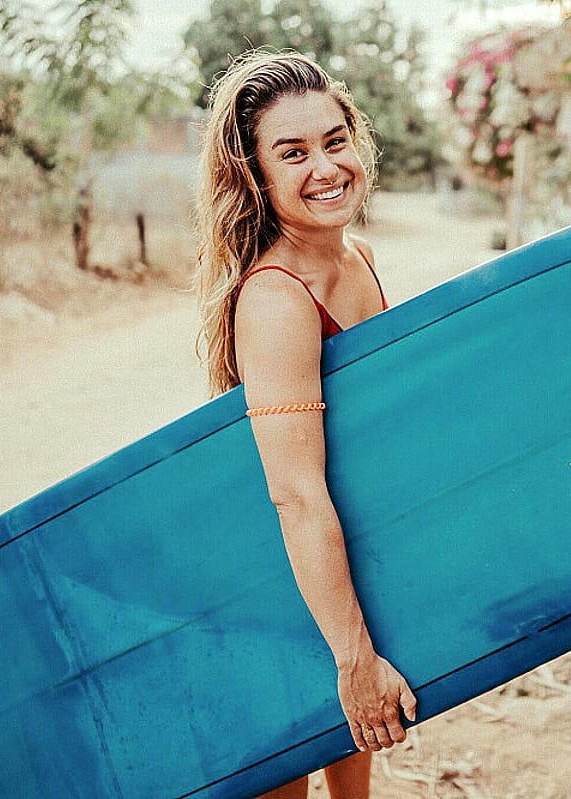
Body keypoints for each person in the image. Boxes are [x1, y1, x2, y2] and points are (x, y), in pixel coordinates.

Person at [194, 50, 417, 799]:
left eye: (334, 139)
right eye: (292, 153)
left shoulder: (358, 257)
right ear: (256, 175)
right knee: (285, 769)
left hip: (336, 548)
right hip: (276, 567)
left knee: (352, 753)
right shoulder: (275, 298)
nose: (324, 167)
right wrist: (354, 656)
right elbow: (294, 492)